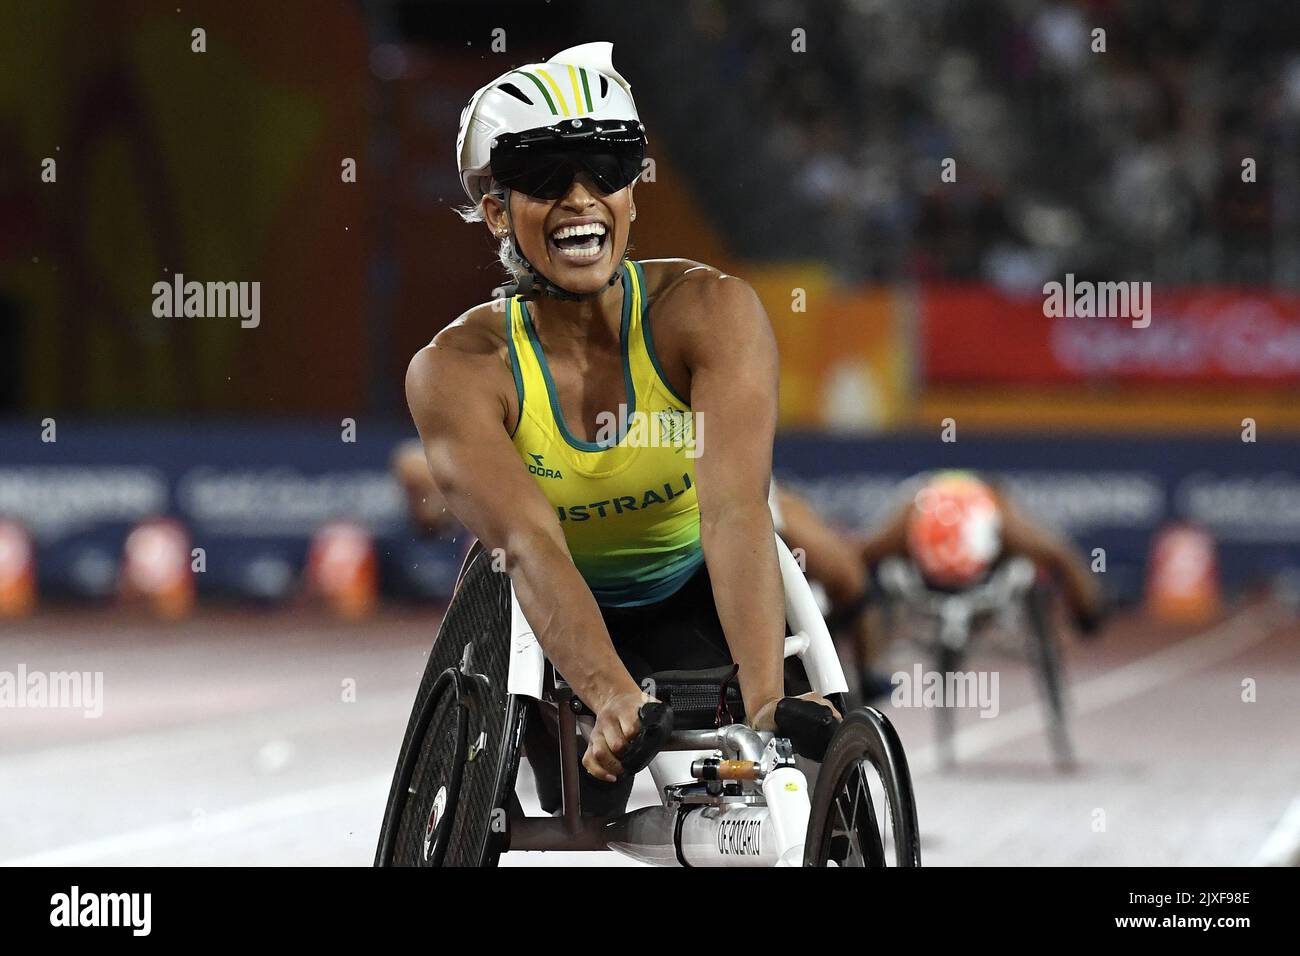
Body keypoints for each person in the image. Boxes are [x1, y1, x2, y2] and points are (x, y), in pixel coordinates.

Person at [405, 42, 835, 815]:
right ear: (498, 211)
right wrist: (608, 695)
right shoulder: (456, 370)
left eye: (605, 169)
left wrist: (767, 708)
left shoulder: (710, 313)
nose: (580, 199)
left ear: (633, 192)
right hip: (551, 620)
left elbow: (736, 511)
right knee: (588, 807)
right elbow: (529, 544)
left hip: (694, 592)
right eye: (544, 177)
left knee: (796, 767)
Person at [772, 470, 1108, 699]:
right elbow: (852, 565)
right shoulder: (901, 529)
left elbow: (1064, 557)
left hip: (982, 501)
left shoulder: (1010, 528)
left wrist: (1088, 615)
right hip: (922, 503)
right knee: (849, 583)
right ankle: (868, 672)